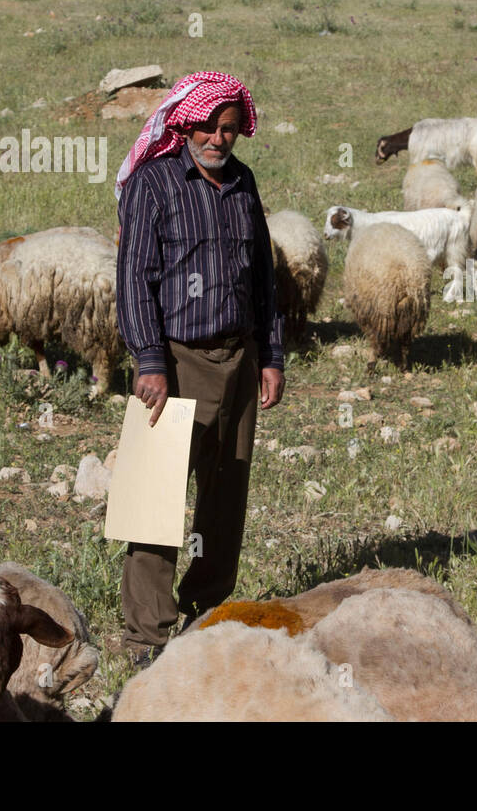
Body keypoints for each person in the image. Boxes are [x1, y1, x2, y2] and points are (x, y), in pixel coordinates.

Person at [114, 71, 284, 665]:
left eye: (230, 129)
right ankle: (146, 637)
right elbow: (133, 277)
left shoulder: (243, 184)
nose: (219, 138)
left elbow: (262, 277)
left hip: (238, 359)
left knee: (224, 499)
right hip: (175, 361)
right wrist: (150, 361)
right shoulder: (154, 185)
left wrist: (270, 355)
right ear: (185, 124)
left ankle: (206, 611)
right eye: (210, 125)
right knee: (154, 499)